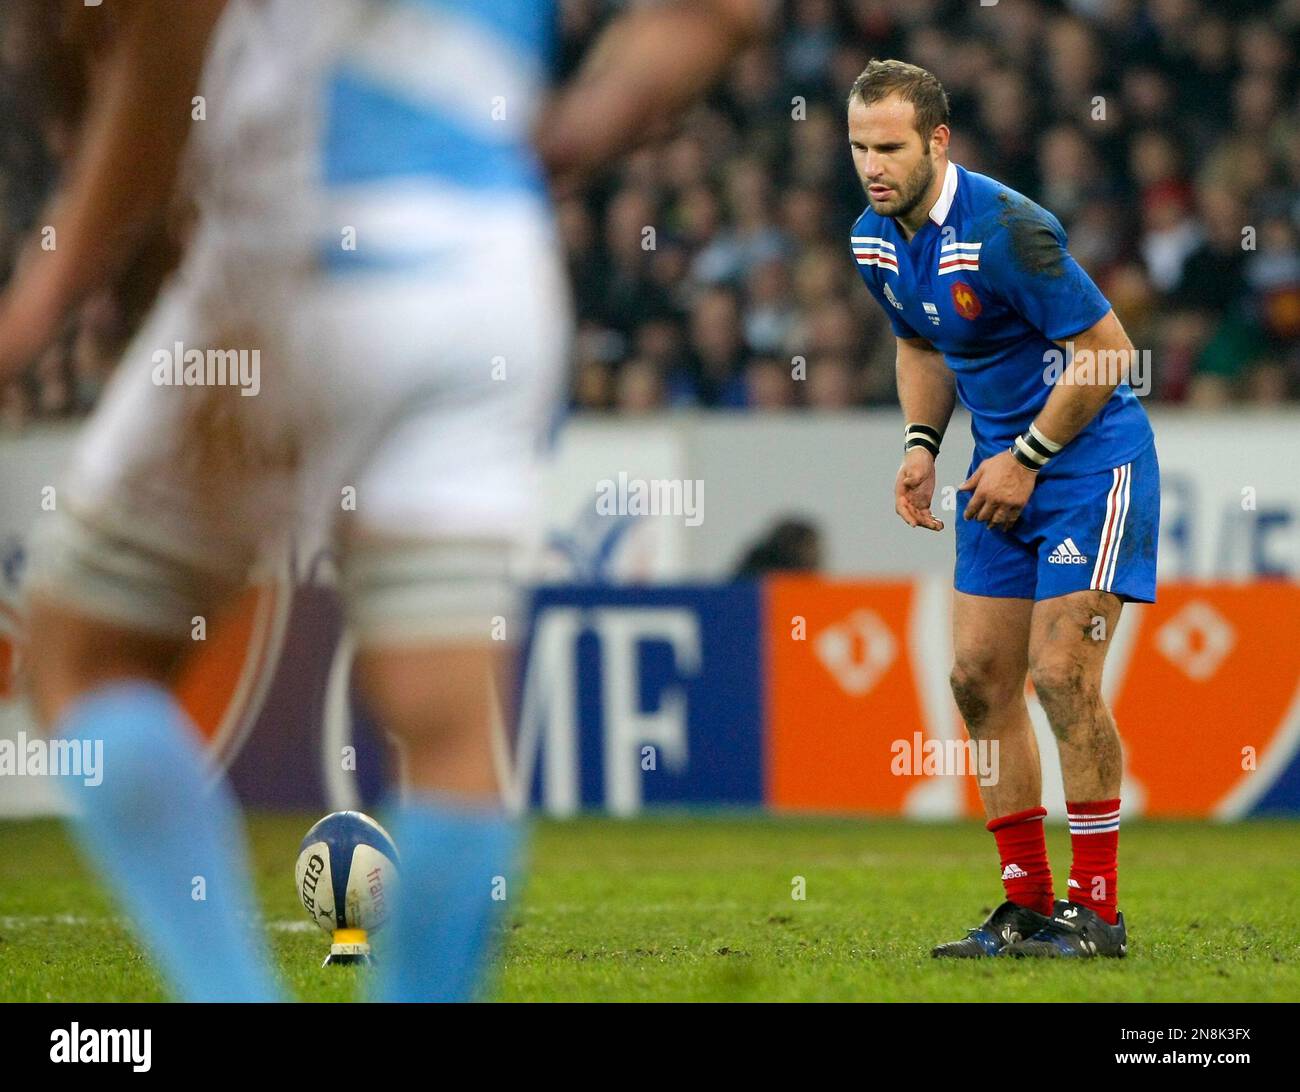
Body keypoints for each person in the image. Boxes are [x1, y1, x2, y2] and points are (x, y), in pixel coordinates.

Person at [0, 0, 769, 1001]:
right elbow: (722, 13)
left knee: (86, 656)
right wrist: (576, 126)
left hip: (289, 266)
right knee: (449, 723)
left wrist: (43, 298)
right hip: (487, 277)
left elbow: (160, 68)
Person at [847, 59, 1159, 958]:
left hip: (1090, 466)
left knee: (1062, 676)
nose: (874, 165)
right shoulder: (872, 238)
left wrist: (1026, 457)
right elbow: (921, 339)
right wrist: (919, 444)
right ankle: (1024, 906)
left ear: (938, 141)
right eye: (860, 147)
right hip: (998, 472)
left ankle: (1096, 914)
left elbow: (1107, 353)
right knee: (978, 681)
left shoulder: (1009, 229)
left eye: (891, 146)